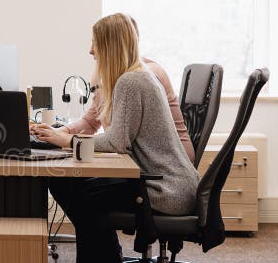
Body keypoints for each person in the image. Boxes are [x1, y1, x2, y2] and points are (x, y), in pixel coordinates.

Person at [31, 13, 199, 263]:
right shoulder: (129, 77)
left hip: (166, 188)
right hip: (157, 179)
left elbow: (116, 142)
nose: (90, 51)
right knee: (70, 186)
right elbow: (115, 138)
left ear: (108, 45)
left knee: (81, 192)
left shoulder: (132, 80)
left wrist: (64, 141)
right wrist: (63, 137)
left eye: (94, 43)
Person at [63, 29, 195, 164]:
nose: (90, 51)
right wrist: (62, 131)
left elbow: (117, 139)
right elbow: (91, 122)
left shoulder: (140, 77)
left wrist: (67, 139)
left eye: (96, 43)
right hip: (144, 159)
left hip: (168, 161)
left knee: (75, 179)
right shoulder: (120, 78)